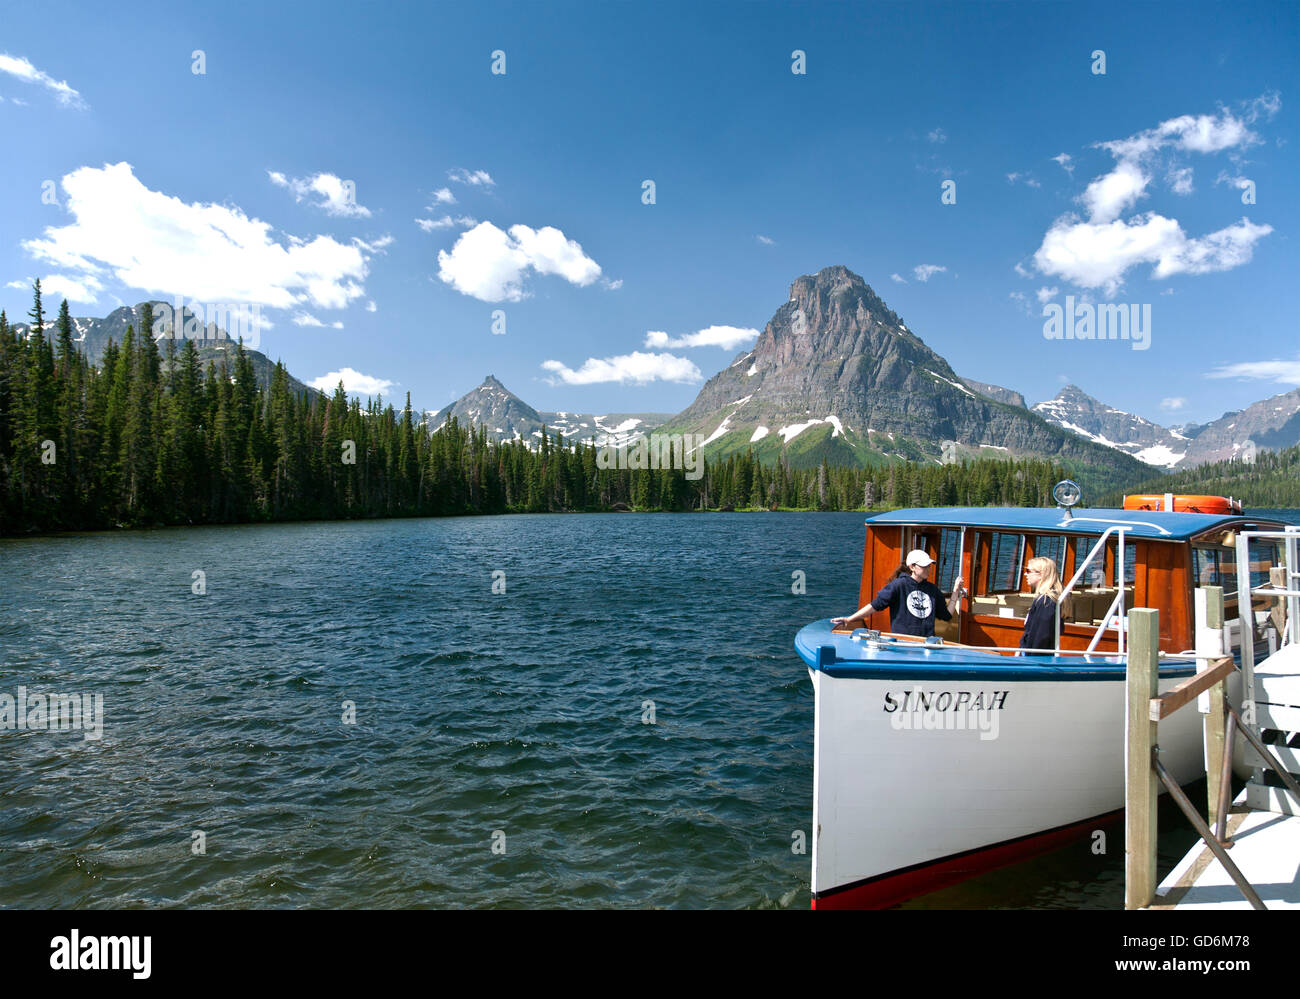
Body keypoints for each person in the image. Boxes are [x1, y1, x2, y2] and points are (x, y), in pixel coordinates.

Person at [831, 550, 963, 638]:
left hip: (926, 645)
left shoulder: (933, 590)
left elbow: (946, 615)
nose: (928, 569)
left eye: (929, 565)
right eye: (924, 566)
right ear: (912, 567)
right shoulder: (898, 585)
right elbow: (875, 605)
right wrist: (849, 619)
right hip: (903, 644)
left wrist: (956, 591)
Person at [1020, 556, 1064, 654]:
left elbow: (1041, 636)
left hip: (1034, 657)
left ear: (1041, 575)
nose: (1025, 574)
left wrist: (1032, 660)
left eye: (1028, 571)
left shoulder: (1046, 602)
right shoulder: (1045, 600)